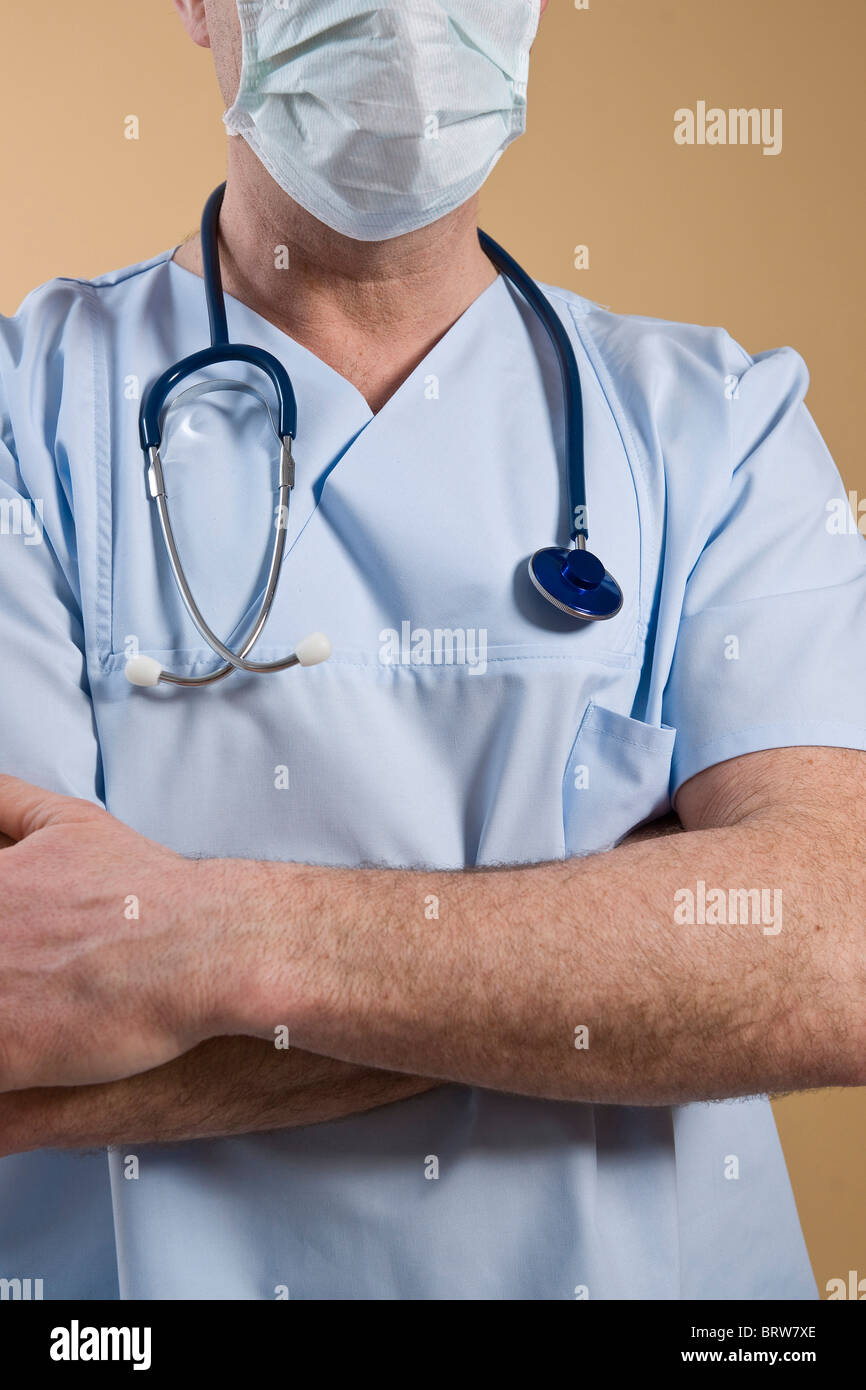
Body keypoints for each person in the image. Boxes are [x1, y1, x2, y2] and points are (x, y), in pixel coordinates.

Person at [0, 0, 863, 1301]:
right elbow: (26, 1023)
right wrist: (634, 942)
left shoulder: (715, 427)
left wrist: (194, 941)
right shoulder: (29, 418)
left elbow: (828, 949)